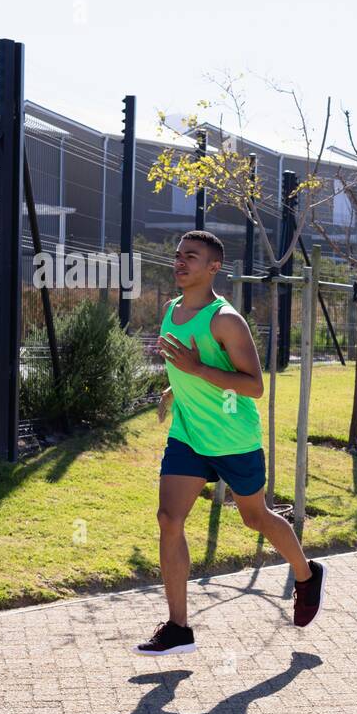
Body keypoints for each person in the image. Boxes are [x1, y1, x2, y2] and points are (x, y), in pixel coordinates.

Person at [136, 230, 326, 656]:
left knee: (255, 517)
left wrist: (197, 369)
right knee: (169, 518)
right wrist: (175, 389)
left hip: (232, 438)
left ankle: (306, 574)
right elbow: (183, 368)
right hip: (188, 435)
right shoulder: (171, 310)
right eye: (178, 254)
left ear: (213, 267)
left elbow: (254, 386)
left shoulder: (226, 320)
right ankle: (178, 628)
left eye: (192, 256)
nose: (180, 262)